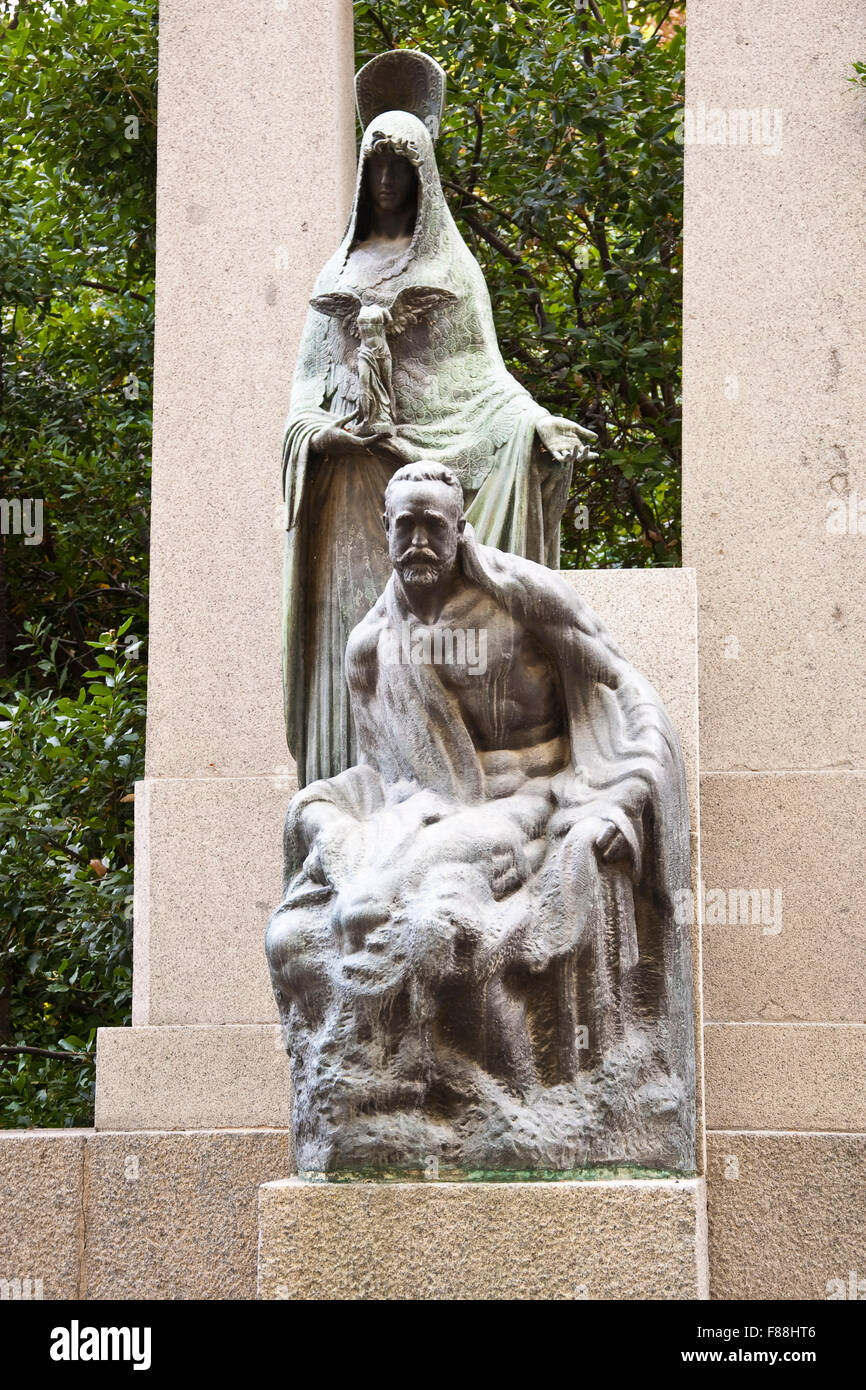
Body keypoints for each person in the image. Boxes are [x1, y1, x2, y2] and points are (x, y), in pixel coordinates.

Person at [267, 464, 694, 1176]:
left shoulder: (523, 603)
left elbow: (623, 685)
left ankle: (436, 1070)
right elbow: (388, 776)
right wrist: (336, 815)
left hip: (535, 803)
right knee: (297, 927)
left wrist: (625, 794)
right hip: (426, 815)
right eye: (406, 526)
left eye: (436, 525)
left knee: (387, 905)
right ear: (385, 530)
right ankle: (379, 1088)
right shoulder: (371, 647)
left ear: (462, 528)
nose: (420, 542)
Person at [282, 95, 597, 786]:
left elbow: (484, 381)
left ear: (423, 175)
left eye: (401, 165)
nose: (387, 180)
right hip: (350, 492)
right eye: (375, 166)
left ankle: (455, 780)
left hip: (423, 486)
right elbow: (303, 397)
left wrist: (532, 423)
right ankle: (353, 787)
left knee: (433, 638)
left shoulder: (454, 273)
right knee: (362, 640)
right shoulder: (335, 276)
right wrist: (326, 435)